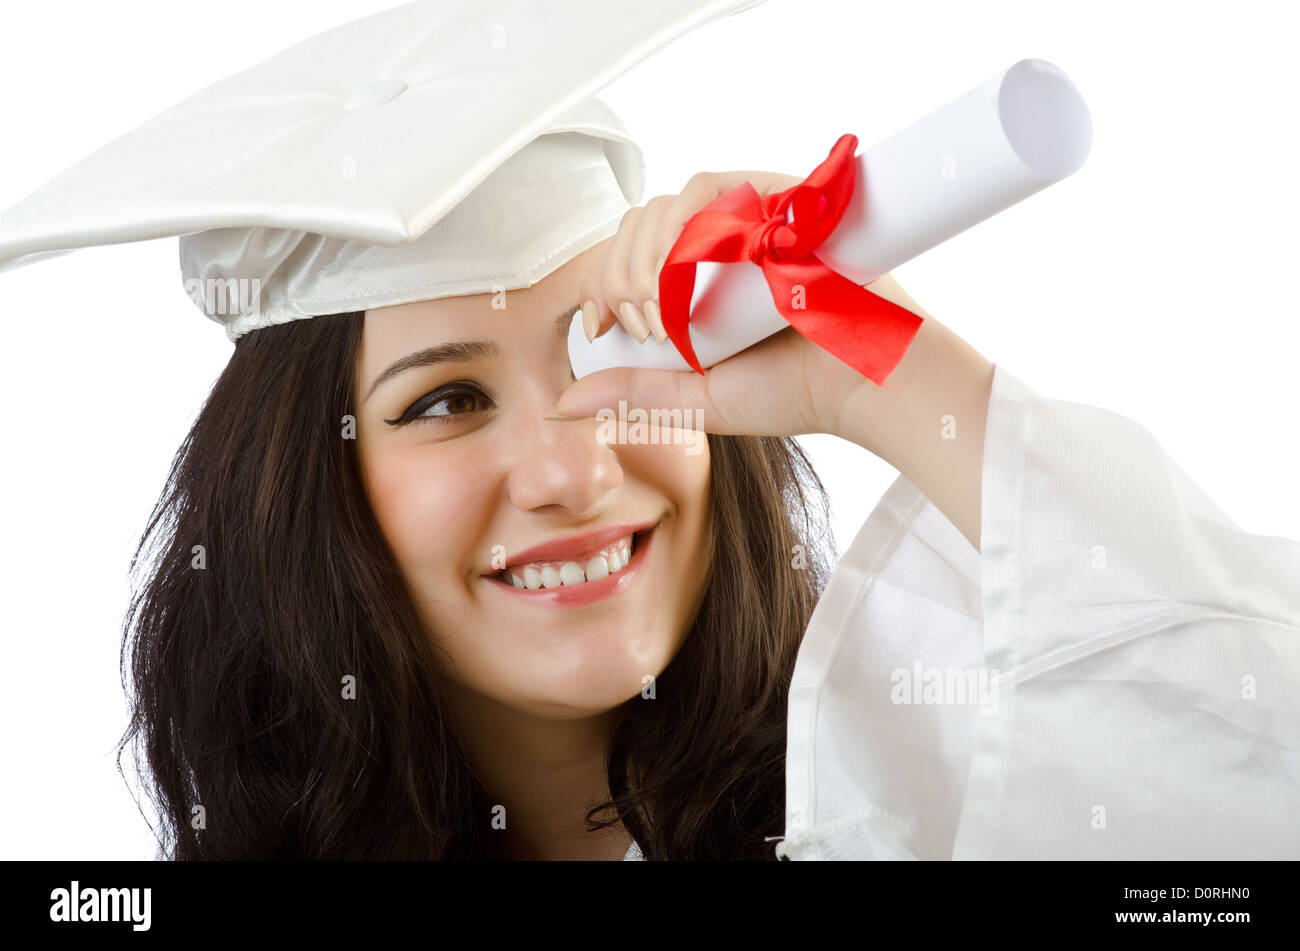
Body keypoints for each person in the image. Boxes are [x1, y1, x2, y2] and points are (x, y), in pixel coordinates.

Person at [2, 0, 1296, 861]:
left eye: (603, 354)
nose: (572, 466)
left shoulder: (925, 811)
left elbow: (1255, 774)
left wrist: (886, 377)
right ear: (303, 498)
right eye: (445, 401)